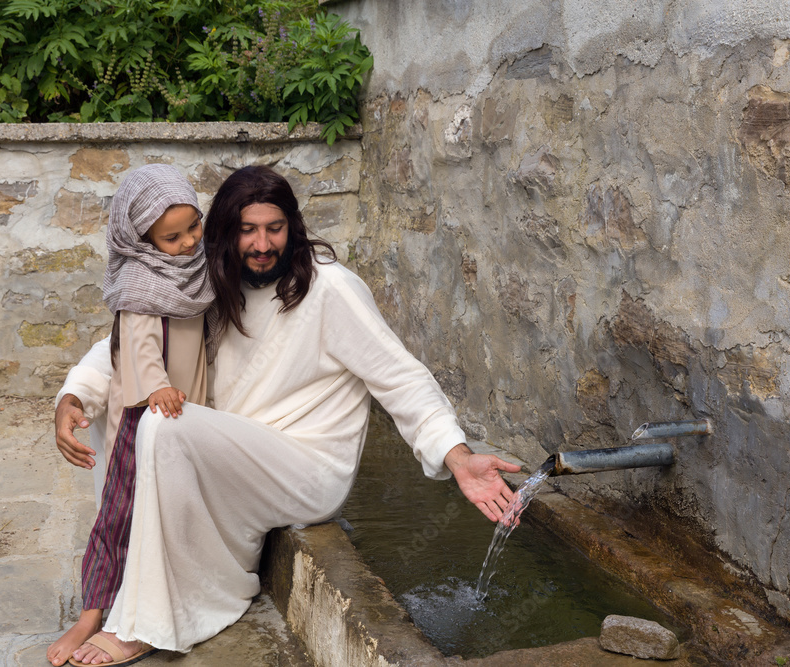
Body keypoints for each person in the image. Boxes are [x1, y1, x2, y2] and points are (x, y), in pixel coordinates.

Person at [53, 166, 520, 665]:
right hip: (236, 452)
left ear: (292, 227)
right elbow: (129, 341)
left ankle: (146, 623)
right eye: (247, 230)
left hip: (306, 467)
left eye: (274, 228)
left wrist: (458, 457)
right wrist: (76, 397)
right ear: (226, 233)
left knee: (167, 424)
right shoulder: (212, 278)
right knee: (137, 411)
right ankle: (151, 580)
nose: (261, 244)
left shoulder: (330, 289)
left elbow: (401, 378)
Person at [47, 164, 214, 667]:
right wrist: (158, 387)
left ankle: (149, 603)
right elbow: (140, 347)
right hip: (145, 416)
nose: (187, 243)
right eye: (172, 237)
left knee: (169, 514)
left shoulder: (195, 269)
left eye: (193, 227)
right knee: (120, 514)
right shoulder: (141, 281)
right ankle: (93, 612)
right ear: (140, 239)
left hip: (184, 414)